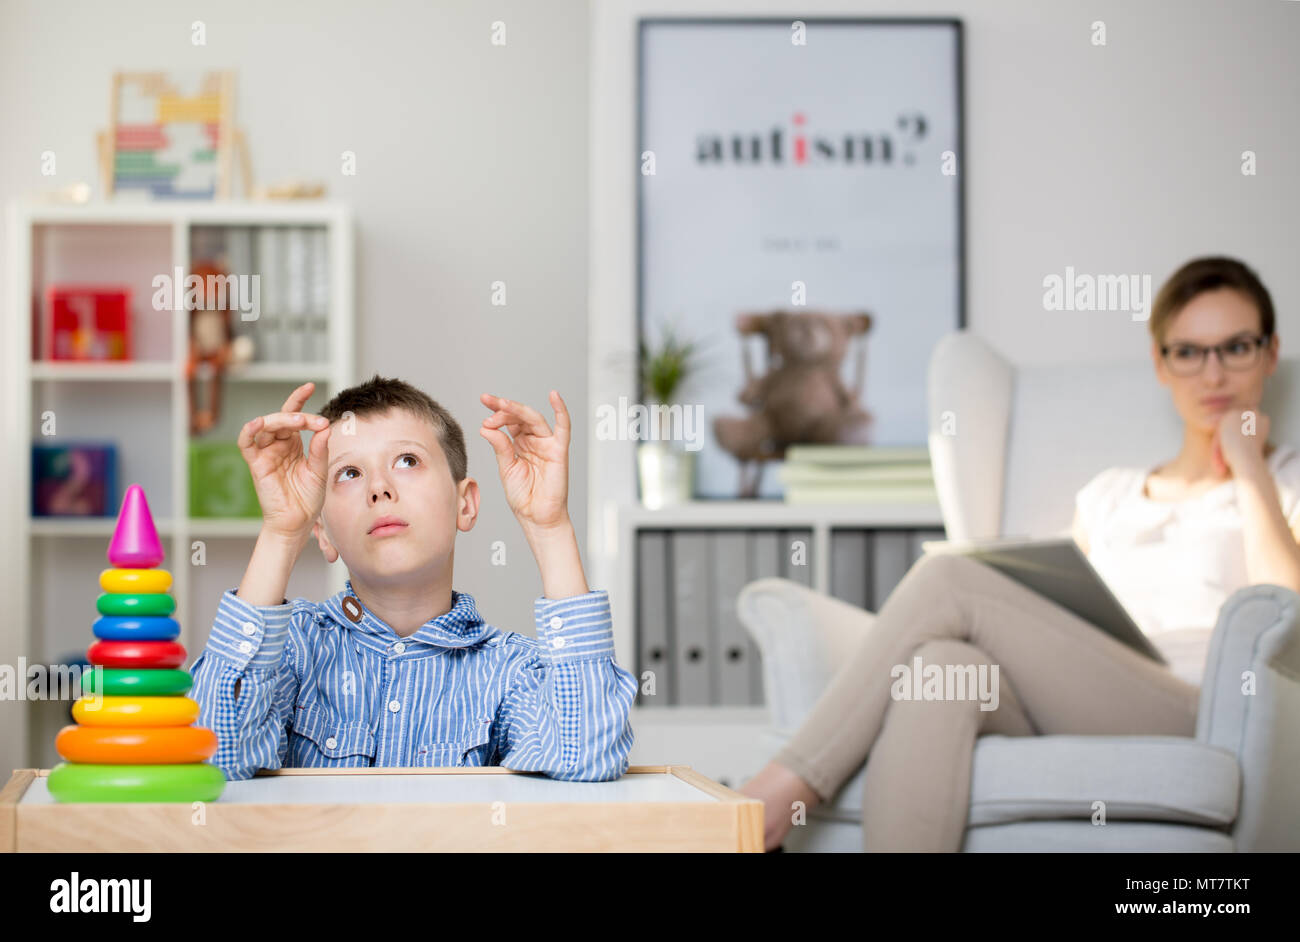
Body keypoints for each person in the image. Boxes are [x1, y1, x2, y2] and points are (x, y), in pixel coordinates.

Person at [738, 256, 1300, 852]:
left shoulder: (1283, 482)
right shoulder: (1107, 493)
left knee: (951, 579)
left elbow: (1287, 620)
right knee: (941, 670)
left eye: (1236, 347)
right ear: (1161, 363)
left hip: (1197, 706)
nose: (1213, 374)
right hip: (1072, 693)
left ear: (1269, 353)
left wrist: (1248, 467)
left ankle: (767, 801)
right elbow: (1058, 610)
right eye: (1189, 351)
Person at [189, 376, 637, 780]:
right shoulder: (292, 650)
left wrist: (549, 527)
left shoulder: (509, 673)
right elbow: (213, 758)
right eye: (349, 473)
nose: (379, 488)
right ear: (322, 532)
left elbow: (586, 758)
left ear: (465, 504)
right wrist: (282, 531)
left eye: (406, 460)